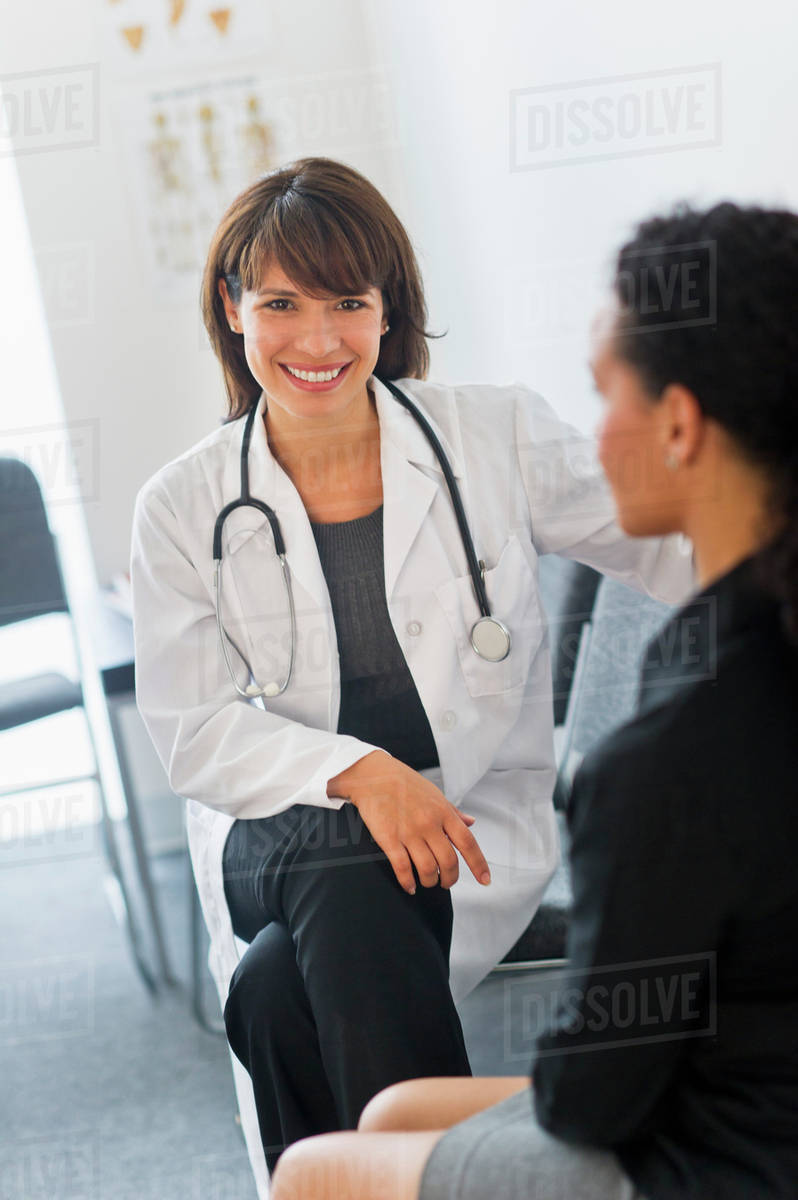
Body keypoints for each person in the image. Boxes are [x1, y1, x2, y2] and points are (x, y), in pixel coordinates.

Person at [129, 157, 693, 1190]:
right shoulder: (182, 504)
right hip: (275, 836)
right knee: (344, 847)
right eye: (282, 304)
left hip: (467, 832)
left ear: (390, 310)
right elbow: (194, 732)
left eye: (349, 302)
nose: (316, 339)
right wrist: (363, 771)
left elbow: (667, 537)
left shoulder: (493, 436)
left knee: (272, 993)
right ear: (232, 308)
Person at [269, 200, 798, 1200]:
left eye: (608, 398)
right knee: (385, 1109)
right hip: (743, 1085)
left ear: (680, 424)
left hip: (723, 1157)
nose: (593, 440)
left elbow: (596, 1100)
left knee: (313, 1173)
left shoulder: (667, 764)